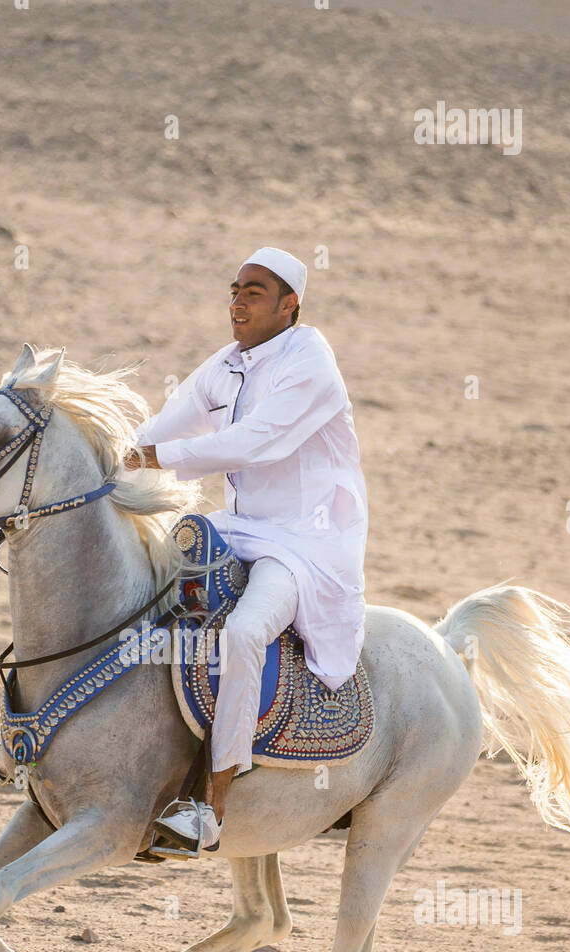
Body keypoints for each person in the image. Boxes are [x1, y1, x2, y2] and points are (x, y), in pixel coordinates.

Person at [125, 246, 367, 855]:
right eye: (234, 289)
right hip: (239, 526)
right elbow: (169, 422)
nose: (237, 302)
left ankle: (211, 807)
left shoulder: (311, 361)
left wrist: (155, 458)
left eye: (254, 292)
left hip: (304, 544)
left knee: (243, 632)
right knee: (128, 576)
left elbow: (256, 443)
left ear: (291, 305)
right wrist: (116, 458)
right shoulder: (229, 362)